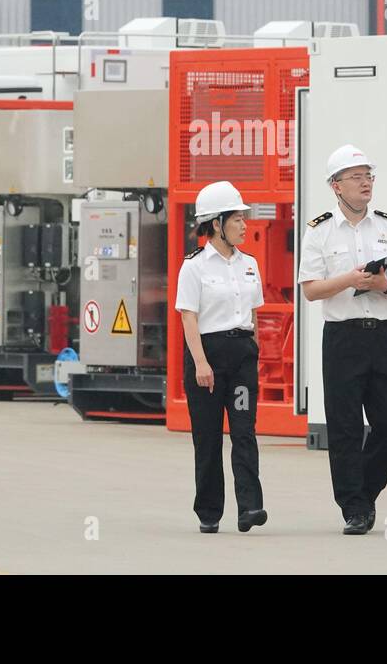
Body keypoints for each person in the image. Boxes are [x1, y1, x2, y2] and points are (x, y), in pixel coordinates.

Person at [298, 144, 387, 535]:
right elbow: (311, 290)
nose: (365, 183)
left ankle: (364, 492)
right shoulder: (320, 230)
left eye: (369, 176)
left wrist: (385, 283)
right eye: (356, 177)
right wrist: (350, 279)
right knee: (345, 425)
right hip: (343, 338)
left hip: (383, 335)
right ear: (336, 186)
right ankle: (354, 509)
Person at [175, 180, 267, 534]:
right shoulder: (195, 267)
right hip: (208, 357)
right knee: (209, 436)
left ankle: (250, 508)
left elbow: (253, 314)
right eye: (238, 218)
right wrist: (200, 363)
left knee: (244, 431)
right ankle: (209, 511)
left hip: (242, 356)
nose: (245, 224)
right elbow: (189, 316)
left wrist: (253, 350)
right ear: (217, 223)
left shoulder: (249, 265)